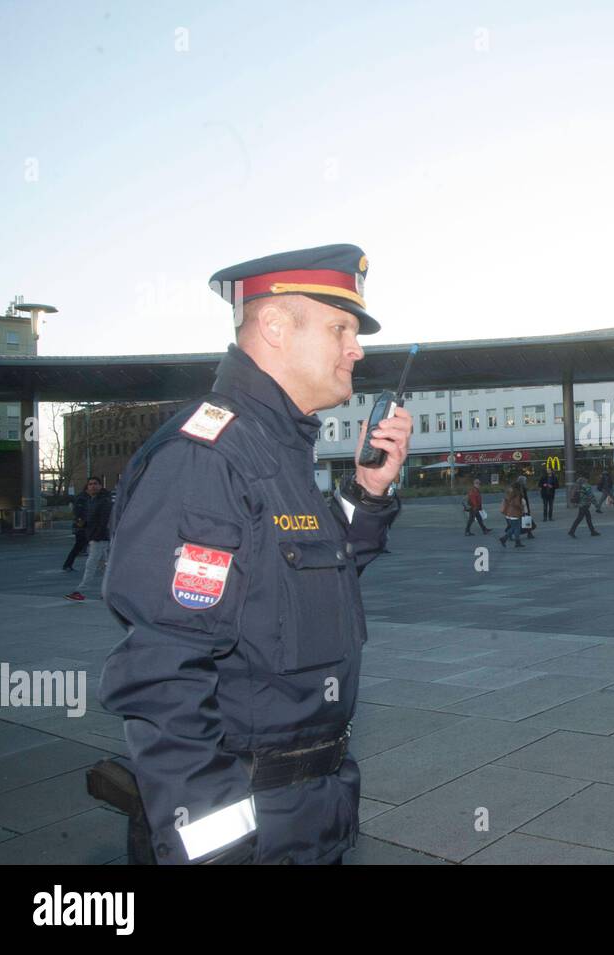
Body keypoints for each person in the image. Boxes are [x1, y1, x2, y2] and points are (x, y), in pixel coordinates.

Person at [95, 244, 413, 865]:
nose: (358, 349)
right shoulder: (208, 456)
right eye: (340, 328)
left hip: (307, 813)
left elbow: (307, 576)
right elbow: (164, 677)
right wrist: (219, 850)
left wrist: (368, 495)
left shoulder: (277, 450)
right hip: (252, 827)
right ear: (272, 327)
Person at [64, 477, 113, 599]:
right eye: (90, 484)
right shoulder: (92, 500)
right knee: (104, 566)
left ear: (101, 486)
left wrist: (96, 535)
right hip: (94, 536)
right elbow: (91, 519)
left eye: (95, 484)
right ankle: (110, 591)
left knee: (91, 564)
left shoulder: (104, 501)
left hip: (99, 537)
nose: (92, 486)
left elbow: (104, 521)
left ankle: (81, 591)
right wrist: (84, 524)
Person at [62, 478, 97, 572]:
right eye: (91, 486)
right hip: (82, 526)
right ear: (87, 488)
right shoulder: (83, 498)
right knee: (80, 546)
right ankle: (67, 565)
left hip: (84, 526)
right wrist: (81, 523)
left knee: (82, 546)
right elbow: (79, 512)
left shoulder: (87, 498)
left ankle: (68, 564)